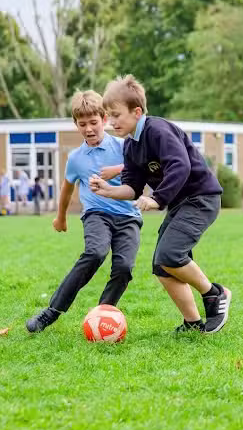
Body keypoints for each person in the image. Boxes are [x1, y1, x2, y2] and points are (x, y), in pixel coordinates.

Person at [90, 74, 232, 334]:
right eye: (108, 116)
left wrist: (157, 199)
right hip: (181, 205)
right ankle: (192, 323)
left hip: (201, 198)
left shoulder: (158, 130)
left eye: (116, 115)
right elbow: (133, 188)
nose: (111, 122)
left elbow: (181, 165)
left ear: (137, 111)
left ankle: (215, 294)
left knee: (170, 255)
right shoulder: (131, 145)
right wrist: (108, 191)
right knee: (162, 265)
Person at [26, 90, 141, 333]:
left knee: (124, 268)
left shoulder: (124, 146)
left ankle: (102, 317)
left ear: (104, 119)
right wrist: (60, 217)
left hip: (129, 216)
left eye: (93, 122)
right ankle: (51, 312)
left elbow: (144, 167)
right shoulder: (76, 158)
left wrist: (118, 168)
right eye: (82, 124)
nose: (89, 129)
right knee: (95, 252)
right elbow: (67, 190)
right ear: (75, 124)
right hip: (97, 214)